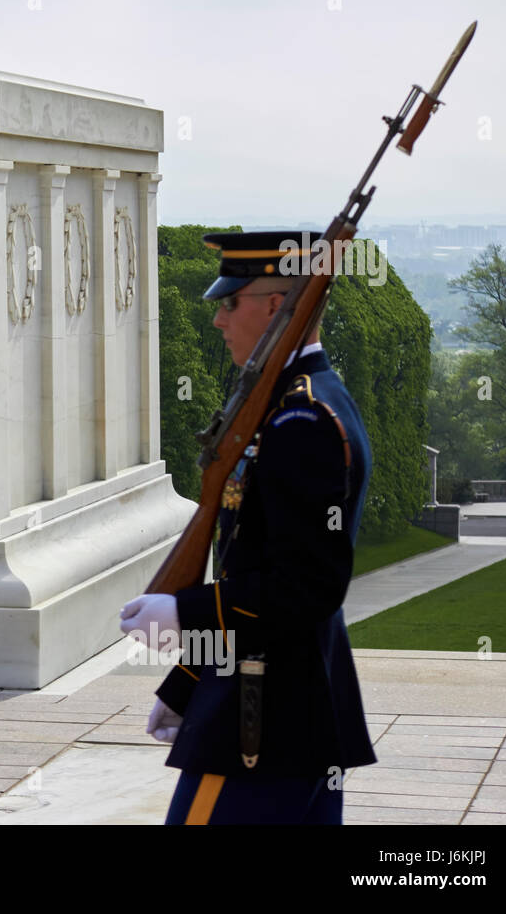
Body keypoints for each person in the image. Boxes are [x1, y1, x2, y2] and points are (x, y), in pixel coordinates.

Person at [119, 230, 376, 824]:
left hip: (263, 720)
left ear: (276, 304)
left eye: (230, 302)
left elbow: (306, 590)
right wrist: (187, 680)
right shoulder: (285, 405)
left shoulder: (303, 419)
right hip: (271, 705)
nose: (218, 319)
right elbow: (253, 566)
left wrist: (186, 613)